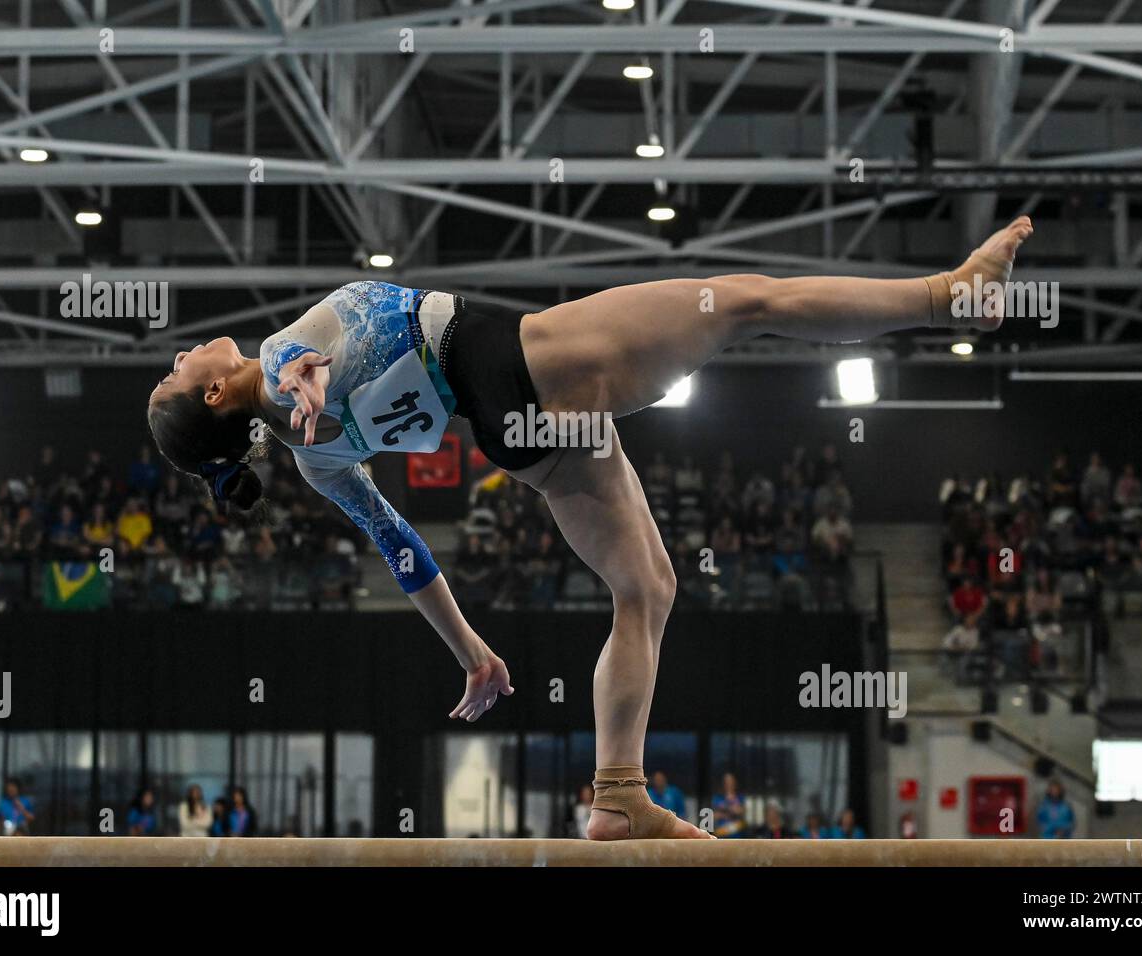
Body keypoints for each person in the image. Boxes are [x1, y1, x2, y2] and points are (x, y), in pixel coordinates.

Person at [147, 218, 1034, 840]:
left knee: (646, 589)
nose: (184, 354)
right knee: (743, 300)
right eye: (181, 372)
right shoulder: (281, 362)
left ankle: (617, 792)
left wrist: (472, 653)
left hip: (516, 435)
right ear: (215, 394)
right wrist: (290, 369)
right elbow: (299, 358)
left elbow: (402, 550)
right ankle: (947, 297)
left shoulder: (314, 457)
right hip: (519, 359)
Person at [711, 772, 747, 838]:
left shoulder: (740, 797)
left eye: (731, 781)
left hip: (736, 833)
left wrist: (724, 810)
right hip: (721, 832)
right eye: (726, 782)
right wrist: (731, 810)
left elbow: (740, 811)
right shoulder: (717, 797)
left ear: (735, 782)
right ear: (723, 783)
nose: (729, 784)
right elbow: (714, 815)